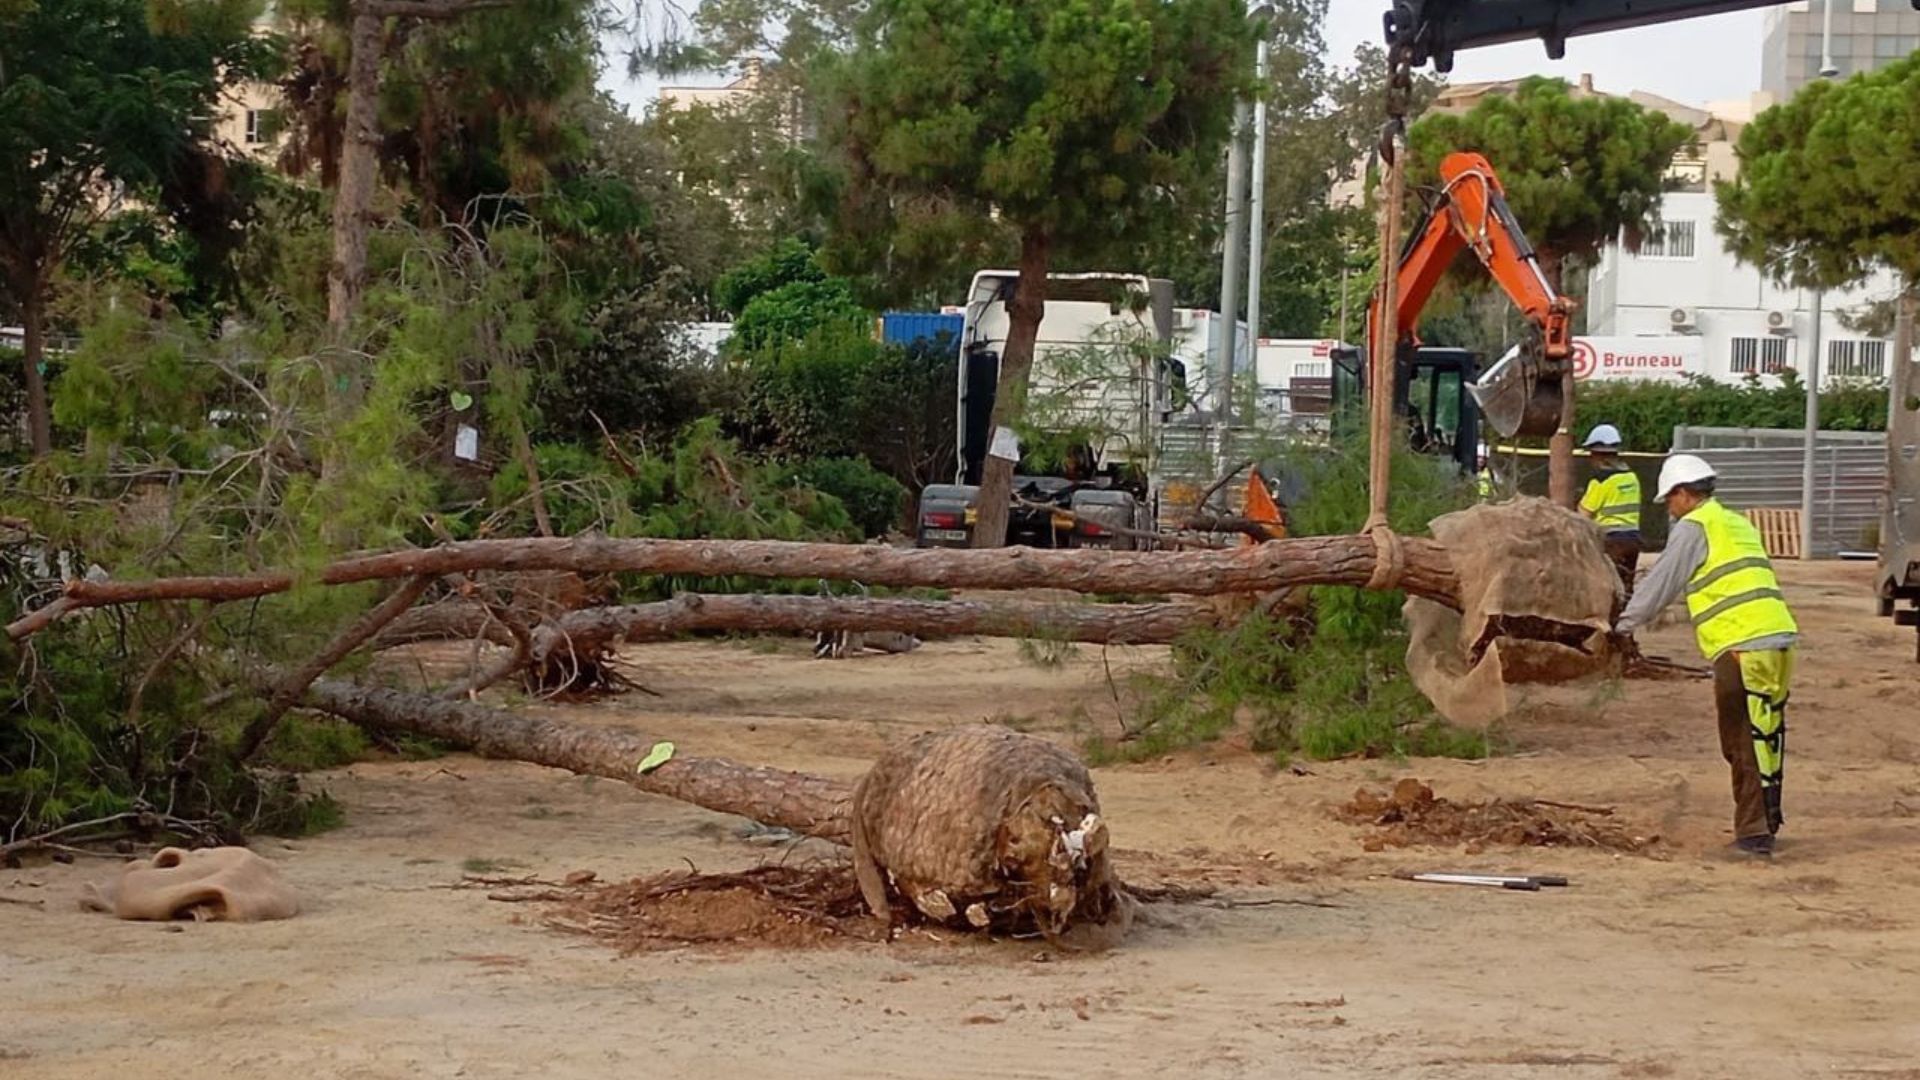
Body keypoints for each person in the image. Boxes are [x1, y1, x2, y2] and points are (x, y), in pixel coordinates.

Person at [1614, 454, 1799, 857]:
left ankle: (1754, 836)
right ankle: (1766, 821)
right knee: (1767, 734)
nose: (1668, 506)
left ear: (1683, 494)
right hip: (1777, 639)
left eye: (1670, 498)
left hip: (1741, 645)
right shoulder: (1735, 523)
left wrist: (1620, 625)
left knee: (1741, 738)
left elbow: (1662, 582)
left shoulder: (1695, 527)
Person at [1578, 424, 1643, 602]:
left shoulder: (1601, 480)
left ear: (1599, 454)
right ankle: (1627, 626)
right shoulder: (1632, 477)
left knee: (1606, 590)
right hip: (1633, 541)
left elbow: (1583, 514)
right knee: (1627, 587)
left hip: (1610, 542)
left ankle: (1608, 626)